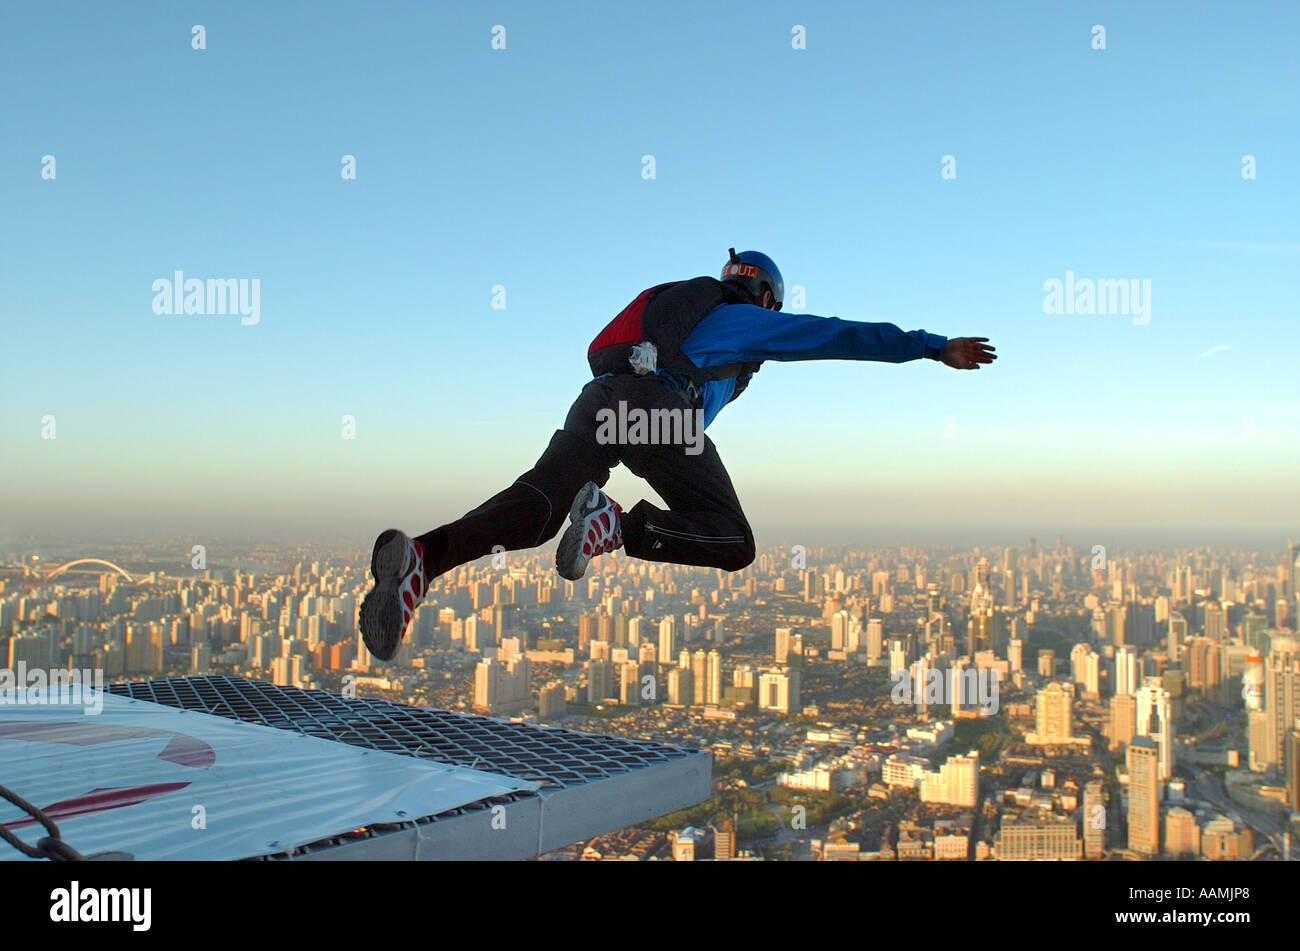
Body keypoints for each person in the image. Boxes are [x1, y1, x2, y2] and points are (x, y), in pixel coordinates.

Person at [359, 248, 996, 660]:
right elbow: (837, 336)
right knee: (733, 540)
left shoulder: (682, 311)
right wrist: (931, 346)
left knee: (539, 505)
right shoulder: (743, 321)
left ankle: (420, 559)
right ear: (766, 297)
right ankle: (616, 525)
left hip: (599, 400)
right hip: (660, 416)